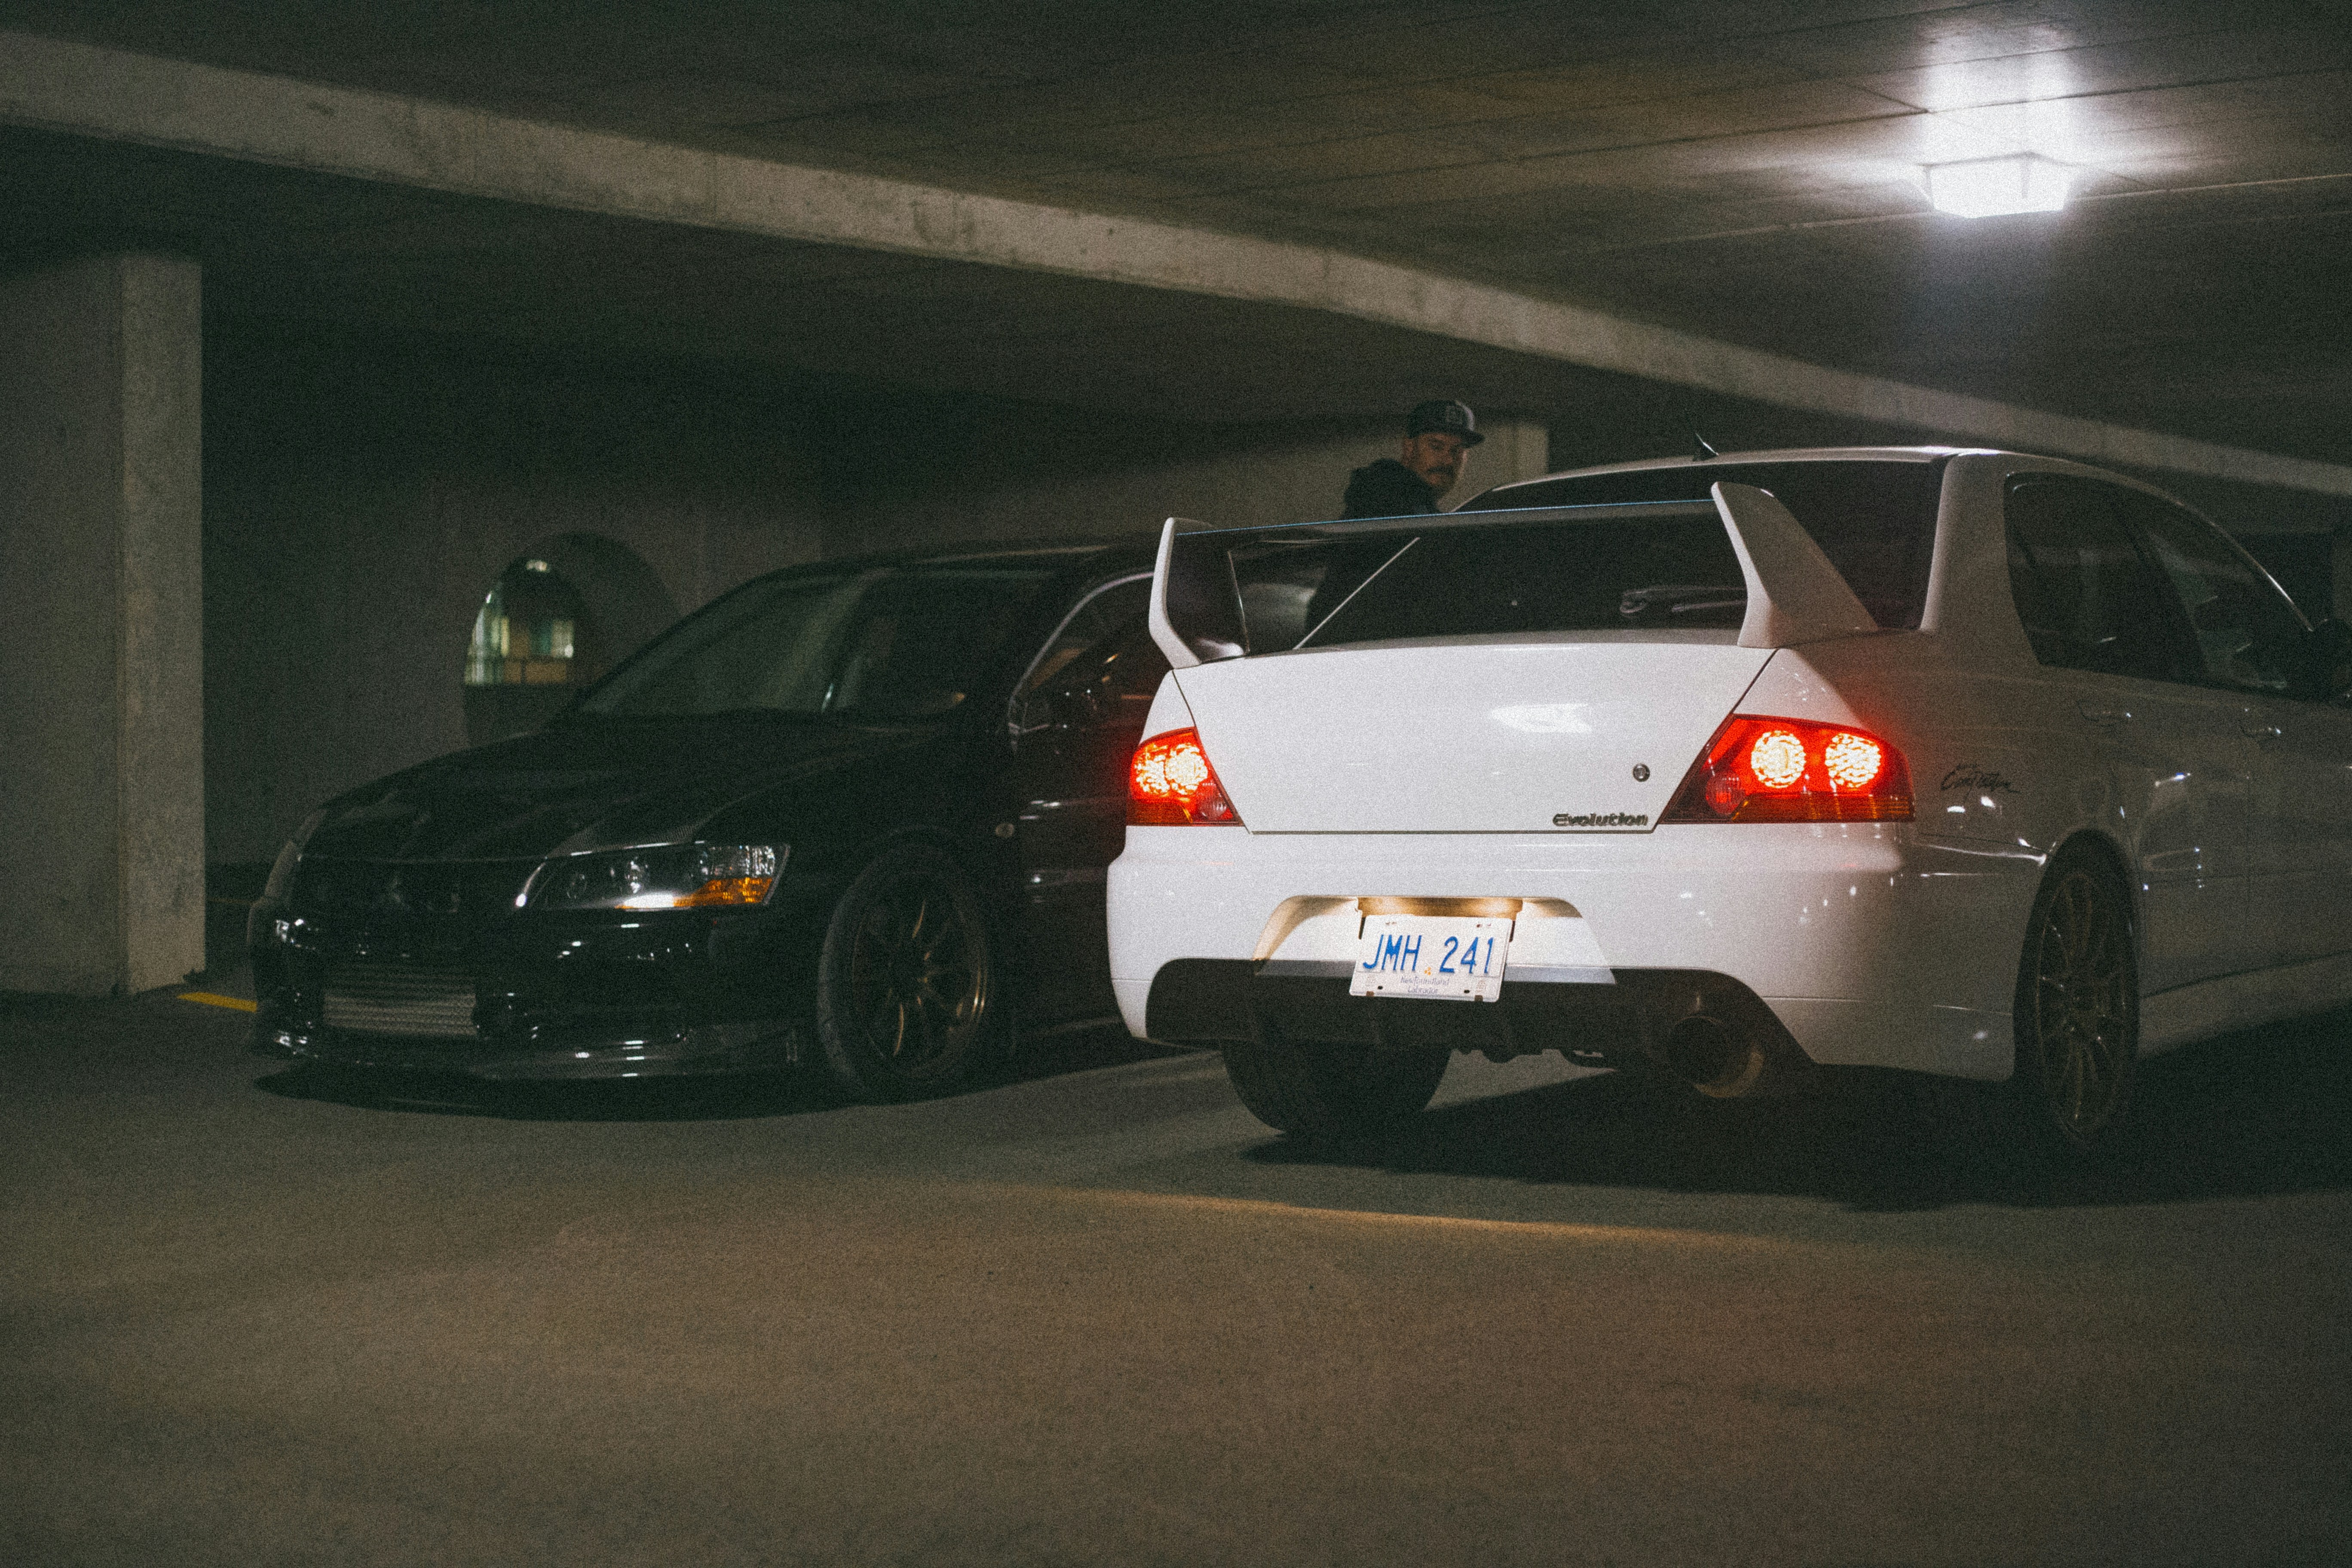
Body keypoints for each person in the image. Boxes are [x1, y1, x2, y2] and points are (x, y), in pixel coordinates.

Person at [1340, 399, 1483, 518]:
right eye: (1436, 447)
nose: (1449, 461)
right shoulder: (1382, 495)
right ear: (1409, 447)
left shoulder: (1417, 504)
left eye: (1457, 451)